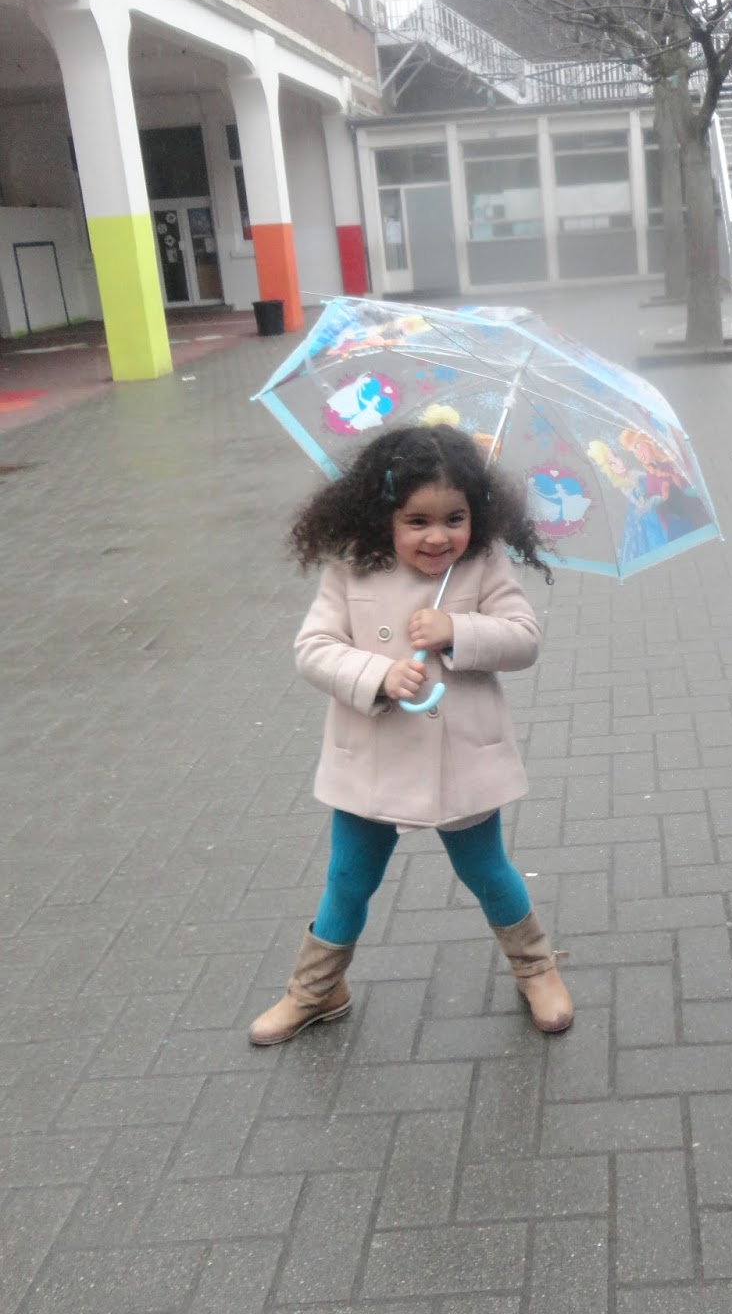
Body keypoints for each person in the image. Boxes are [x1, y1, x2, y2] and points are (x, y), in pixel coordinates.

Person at [249, 423, 574, 1047]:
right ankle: (317, 989)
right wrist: (376, 673)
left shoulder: (482, 562)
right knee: (348, 877)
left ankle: (536, 968)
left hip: (459, 759)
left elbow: (525, 639)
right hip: (371, 756)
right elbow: (312, 648)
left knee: (487, 870)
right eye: (417, 520)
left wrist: (457, 629)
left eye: (455, 518)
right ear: (383, 515)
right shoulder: (350, 565)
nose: (438, 536)